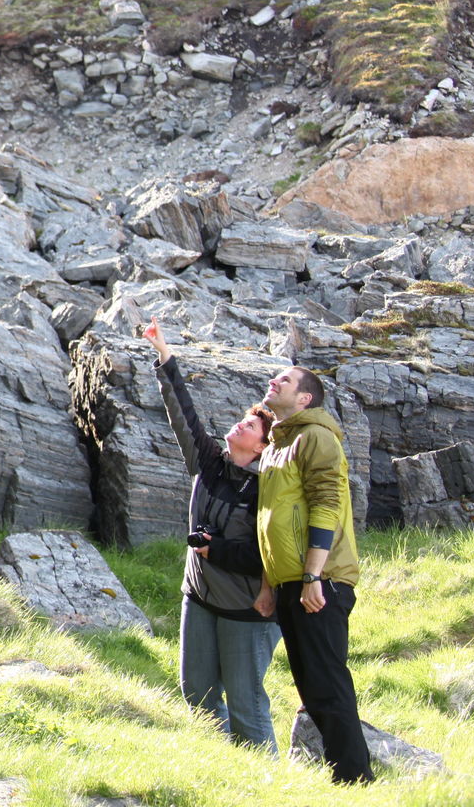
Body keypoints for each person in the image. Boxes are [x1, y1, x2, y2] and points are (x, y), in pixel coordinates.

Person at [142, 319, 280, 750]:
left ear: (262, 447)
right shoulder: (210, 462)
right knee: (197, 696)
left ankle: (267, 778)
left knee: (246, 706)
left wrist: (214, 551)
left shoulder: (269, 488)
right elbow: (183, 416)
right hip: (199, 599)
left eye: (249, 427)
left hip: (246, 610)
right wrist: (164, 355)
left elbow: (269, 555)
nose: (239, 426)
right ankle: (223, 768)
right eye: (241, 421)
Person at [254, 361, 373, 784]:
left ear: (304, 398)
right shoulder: (276, 446)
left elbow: (327, 504)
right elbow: (268, 522)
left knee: (327, 684)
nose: (274, 381)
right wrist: (268, 585)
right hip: (291, 583)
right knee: (311, 687)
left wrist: (313, 577)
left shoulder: (316, 437)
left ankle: (356, 779)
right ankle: (345, 775)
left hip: (321, 583)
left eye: (285, 379)